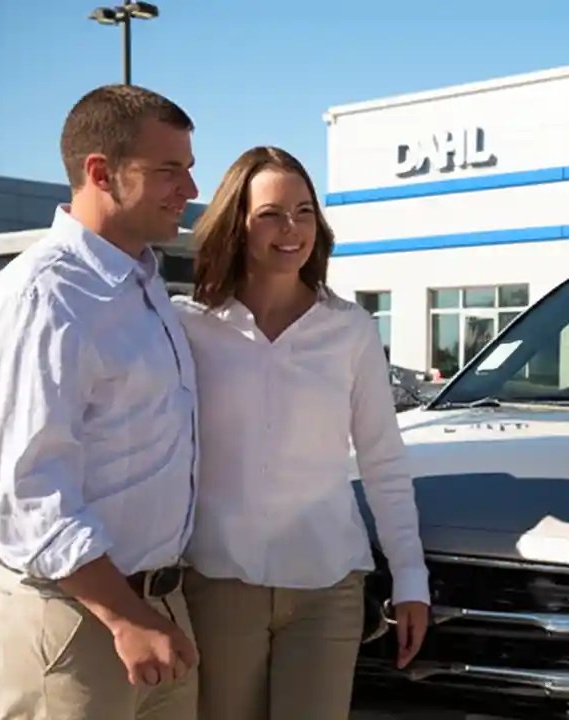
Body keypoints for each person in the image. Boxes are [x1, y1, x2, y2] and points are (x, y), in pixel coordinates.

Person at [0, 84, 202, 719]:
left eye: (189, 169)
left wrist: (149, 613)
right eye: (167, 170)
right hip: (74, 620)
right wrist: (124, 616)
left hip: (151, 612)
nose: (189, 189)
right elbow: (30, 491)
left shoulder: (144, 287)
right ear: (101, 172)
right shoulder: (43, 300)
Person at [170, 146, 430, 720]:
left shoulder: (351, 330)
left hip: (326, 588)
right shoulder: (188, 328)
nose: (291, 230)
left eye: (304, 211)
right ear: (236, 222)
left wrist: (411, 578)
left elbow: (384, 460)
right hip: (217, 585)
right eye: (270, 214)